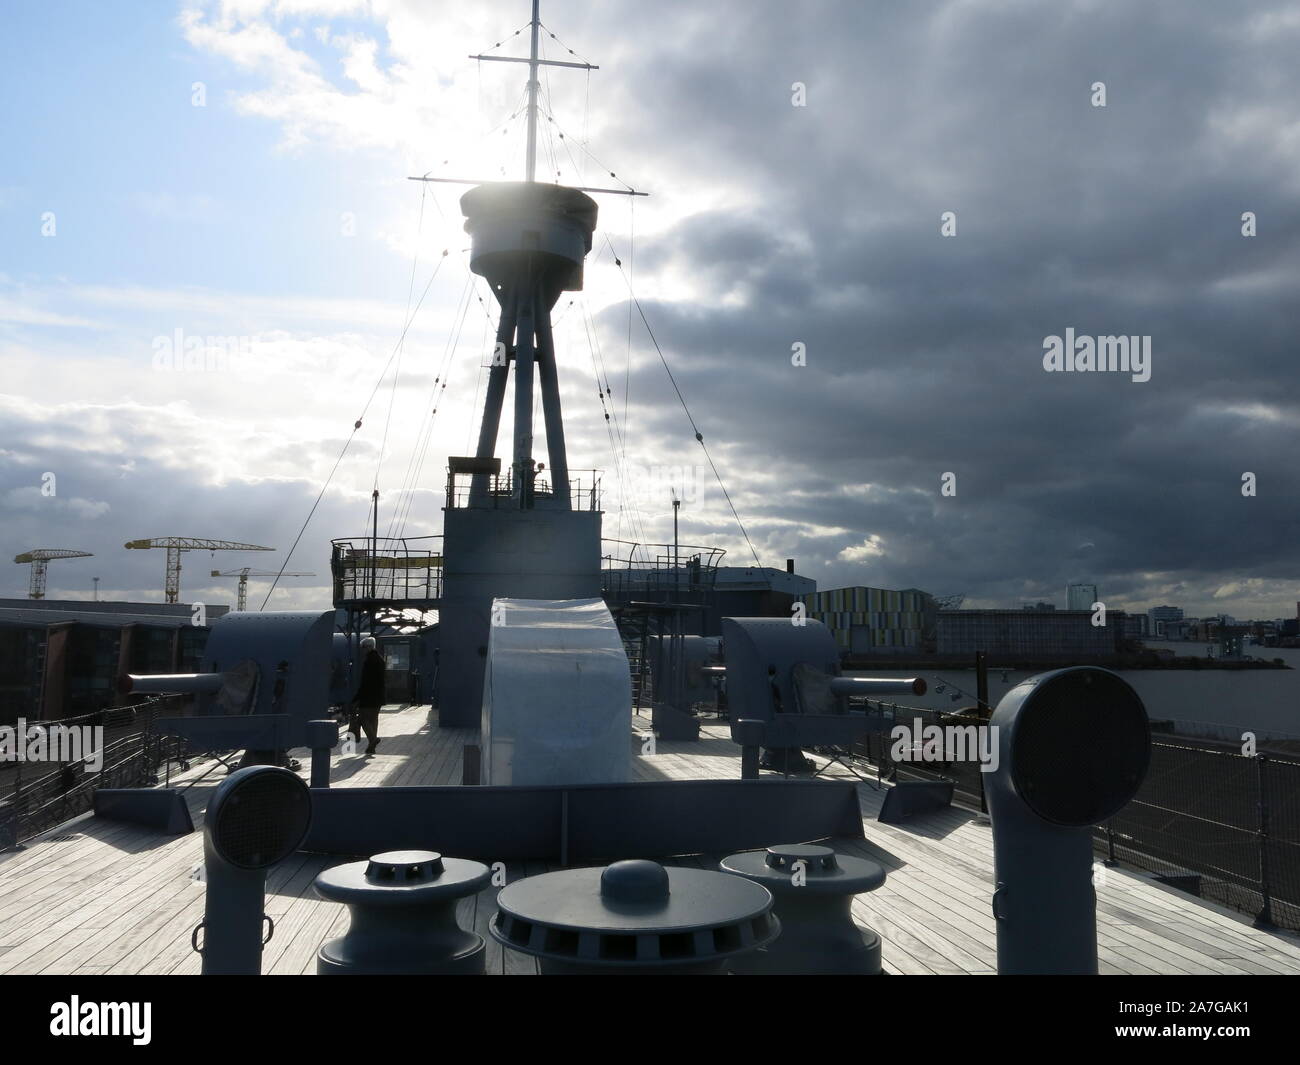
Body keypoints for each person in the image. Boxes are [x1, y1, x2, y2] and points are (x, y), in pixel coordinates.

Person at [350, 636, 385, 755]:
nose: (362, 650)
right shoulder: (381, 660)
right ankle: (371, 747)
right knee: (373, 720)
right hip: (379, 696)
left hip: (368, 696)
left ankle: (373, 739)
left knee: (363, 719)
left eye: (363, 647)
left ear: (369, 647)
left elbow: (365, 682)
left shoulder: (368, 661)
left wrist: (357, 696)